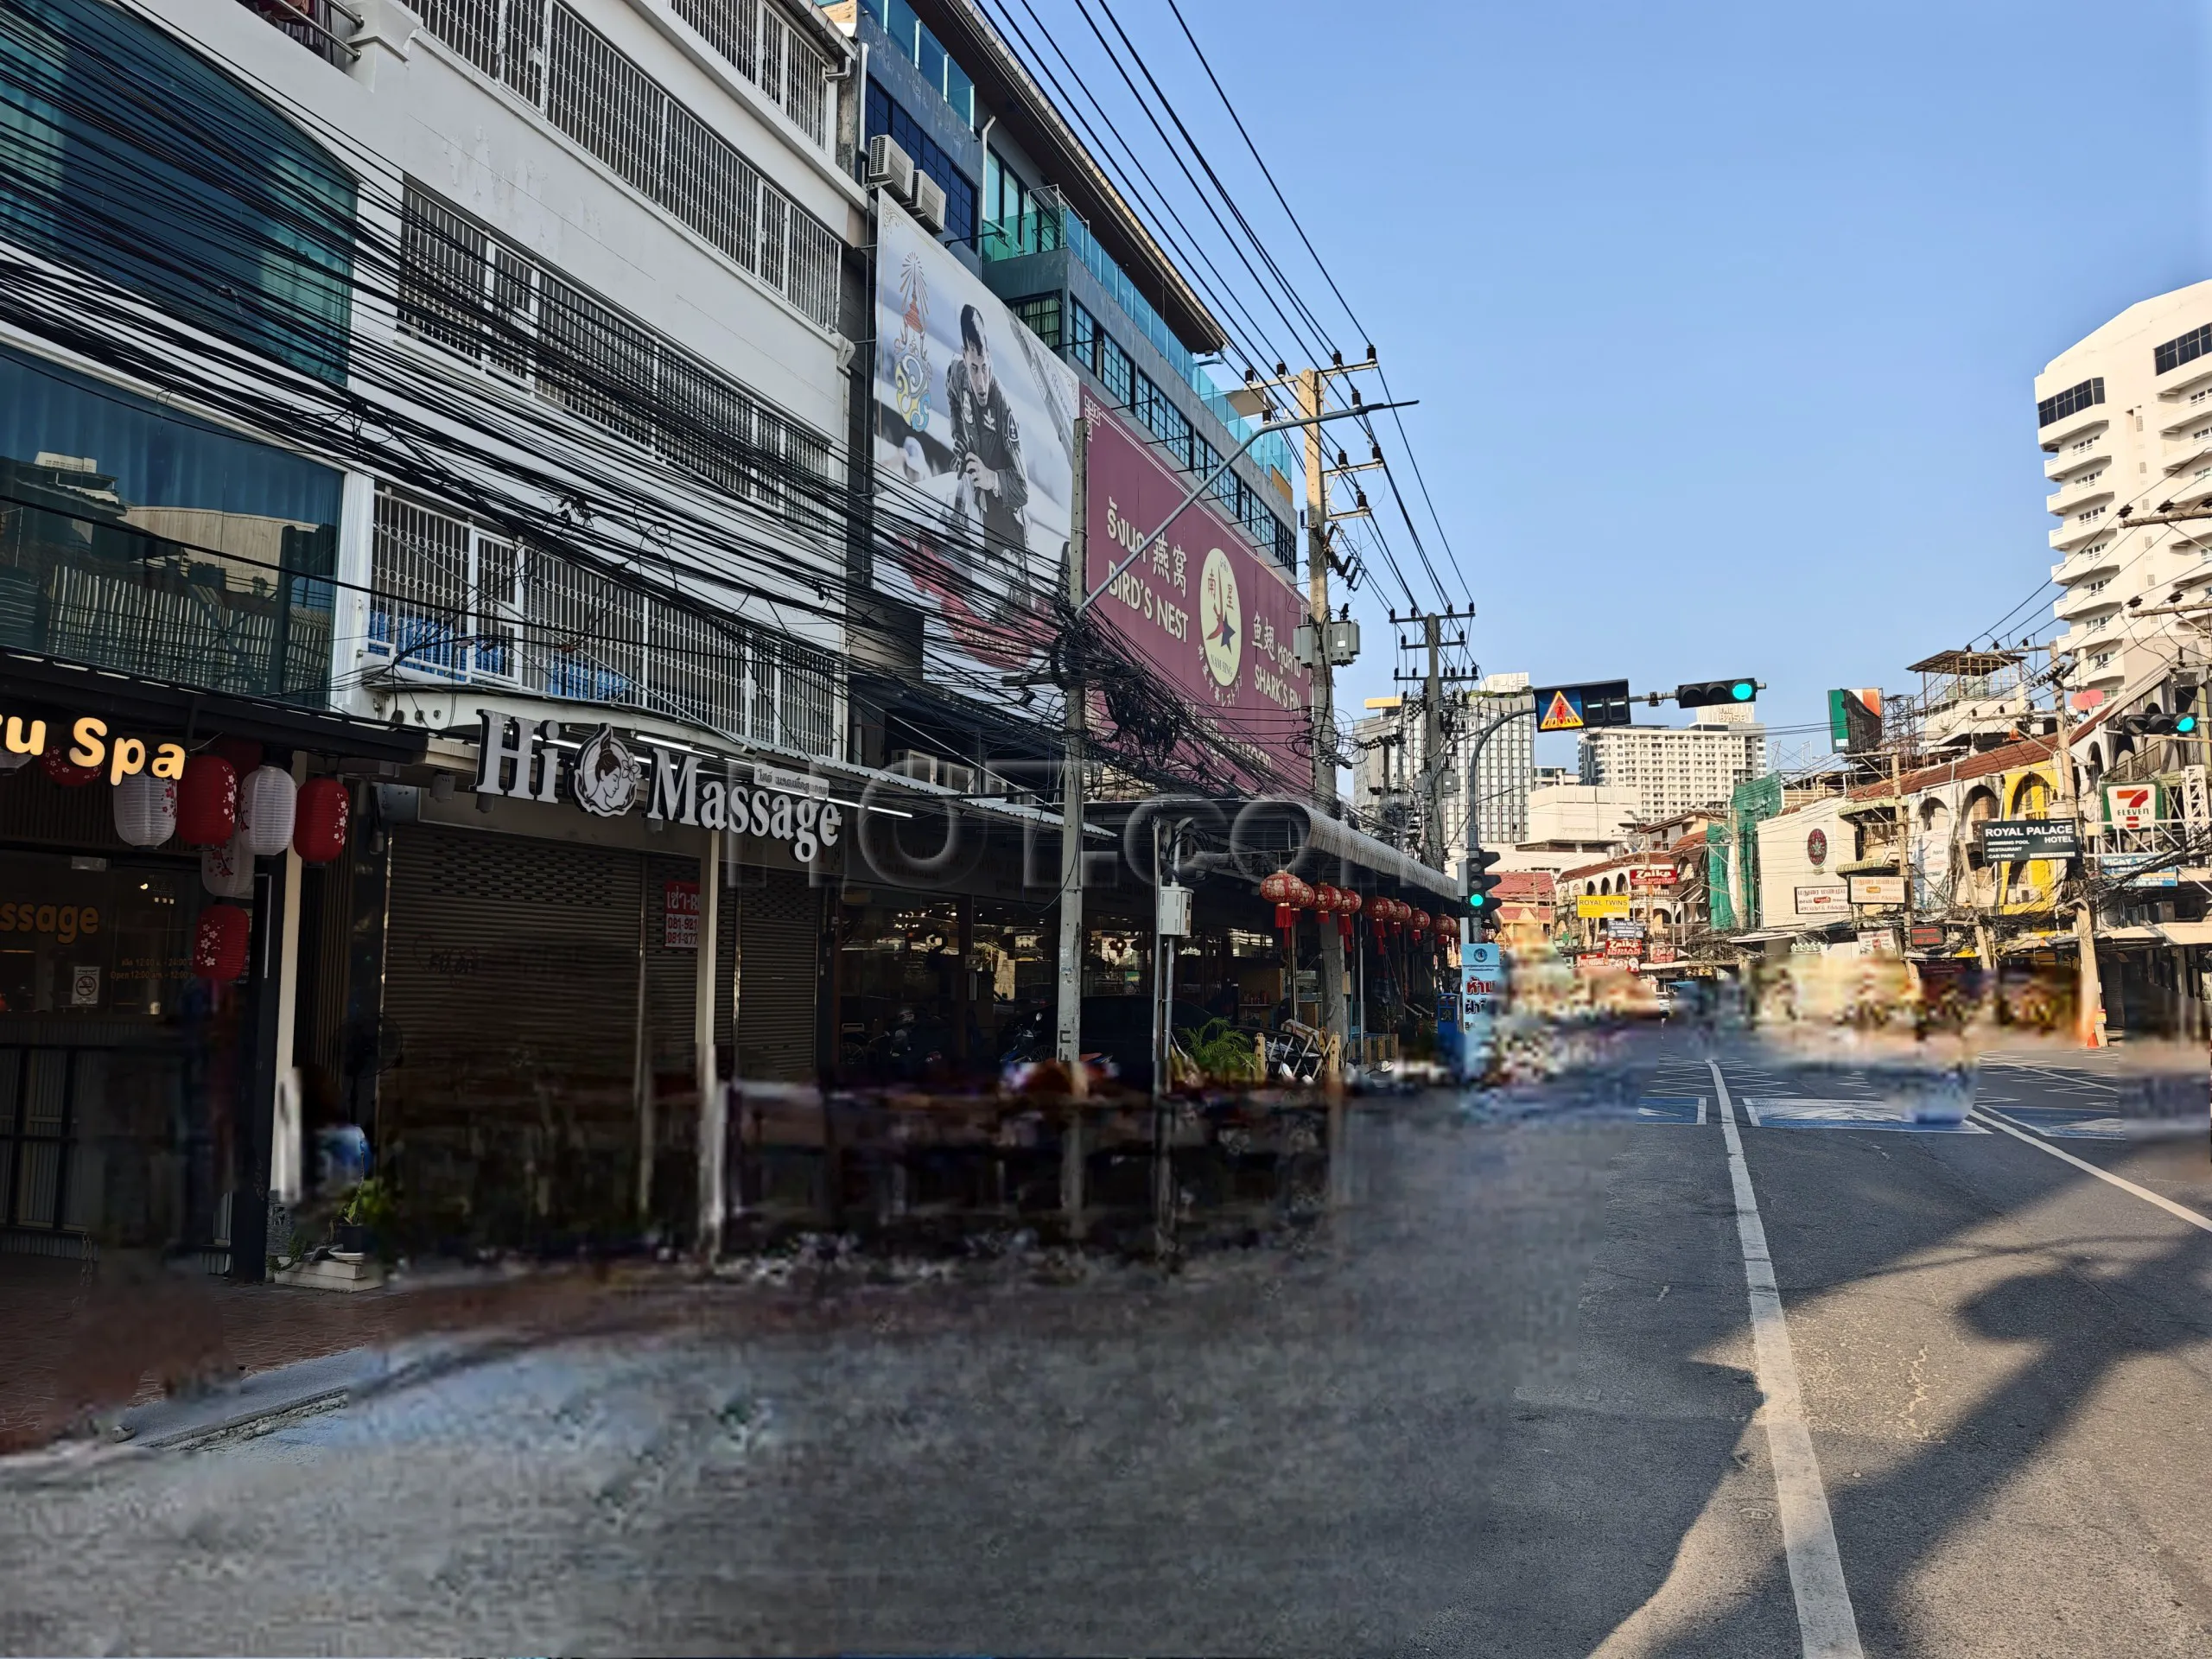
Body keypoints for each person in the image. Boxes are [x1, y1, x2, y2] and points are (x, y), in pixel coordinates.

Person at [944, 303, 1029, 581]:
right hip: (974, 513)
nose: (981, 382)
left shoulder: (1003, 407)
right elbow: (954, 404)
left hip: (1007, 529)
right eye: (974, 369)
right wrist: (959, 441)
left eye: (984, 368)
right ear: (965, 357)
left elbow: (1022, 489)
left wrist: (991, 477)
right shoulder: (956, 373)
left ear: (989, 358)